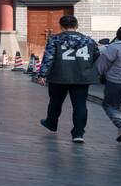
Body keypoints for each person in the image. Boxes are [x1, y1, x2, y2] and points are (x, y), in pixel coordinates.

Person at [38, 14, 100, 144]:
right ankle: (78, 133)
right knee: (80, 105)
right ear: (77, 25)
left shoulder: (55, 40)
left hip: (59, 76)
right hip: (81, 77)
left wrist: (42, 74)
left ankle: (51, 123)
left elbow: (49, 57)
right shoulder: (89, 41)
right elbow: (96, 55)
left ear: (61, 26)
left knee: (55, 102)